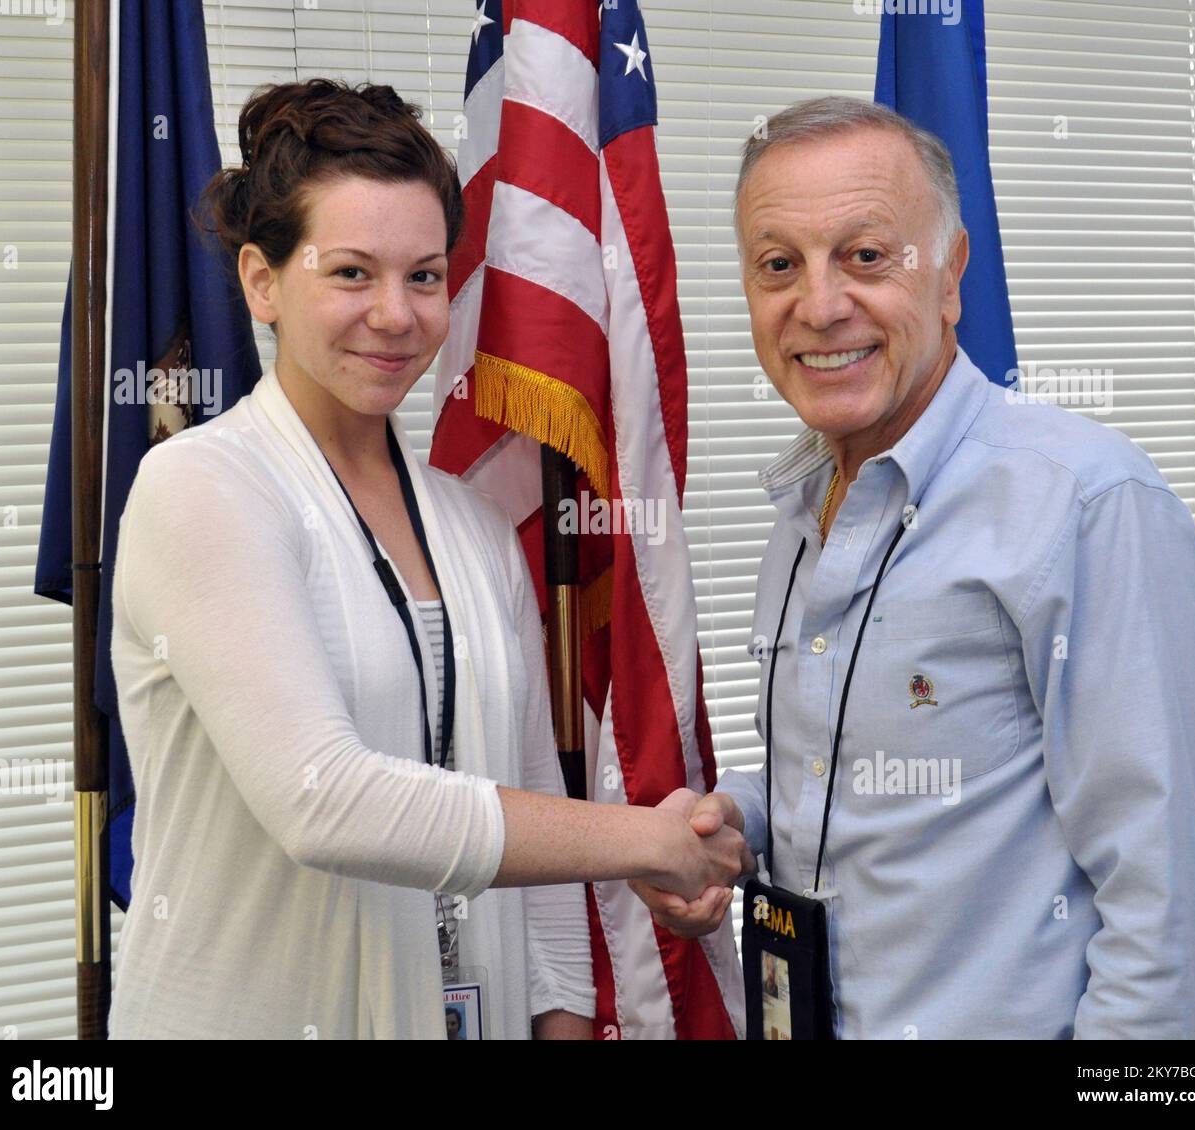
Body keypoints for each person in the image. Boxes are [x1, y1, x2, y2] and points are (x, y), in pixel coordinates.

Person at [107, 78, 750, 1041]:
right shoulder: (200, 489)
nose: (397, 315)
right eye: (352, 273)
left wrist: (566, 1020)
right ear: (261, 281)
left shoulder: (475, 528)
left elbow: (541, 853)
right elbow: (325, 801)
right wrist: (650, 841)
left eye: (424, 275)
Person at [630, 96, 1195, 1039]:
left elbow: (1168, 905)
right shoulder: (803, 503)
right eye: (778, 264)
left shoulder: (1087, 503)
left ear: (950, 275)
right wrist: (736, 824)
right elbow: (858, 780)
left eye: (867, 256)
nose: (819, 306)